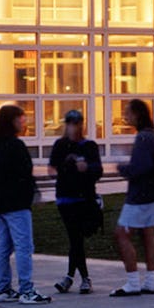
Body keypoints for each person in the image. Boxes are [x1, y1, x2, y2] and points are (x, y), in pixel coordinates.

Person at [0, 103, 51, 305]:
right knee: (23, 246)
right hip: (16, 205)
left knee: (4, 247)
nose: (24, 122)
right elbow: (24, 174)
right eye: (20, 119)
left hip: (0, 204)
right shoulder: (15, 146)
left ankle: (3, 289)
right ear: (11, 122)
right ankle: (26, 290)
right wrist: (31, 196)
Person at [110, 99, 154, 297]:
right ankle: (150, 281)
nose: (126, 116)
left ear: (138, 115)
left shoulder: (142, 138)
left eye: (128, 113)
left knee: (122, 234)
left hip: (140, 195)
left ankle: (132, 282)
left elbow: (139, 168)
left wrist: (121, 167)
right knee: (147, 233)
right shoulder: (152, 135)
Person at [48, 109, 103, 295]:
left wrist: (86, 167)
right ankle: (80, 278)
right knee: (75, 238)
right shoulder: (61, 145)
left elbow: (98, 170)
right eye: (70, 123)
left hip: (84, 197)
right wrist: (65, 166)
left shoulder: (89, 146)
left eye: (77, 123)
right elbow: (51, 168)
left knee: (76, 239)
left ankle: (72, 277)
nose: (73, 127)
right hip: (66, 198)